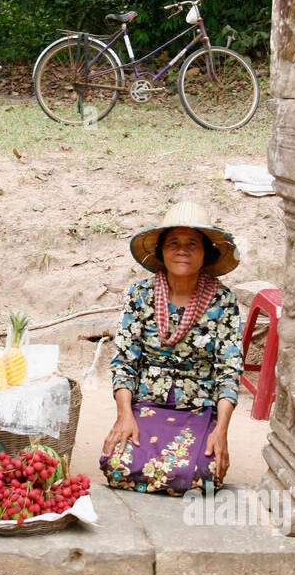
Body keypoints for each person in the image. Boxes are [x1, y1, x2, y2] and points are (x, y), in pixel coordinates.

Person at [102, 201, 244, 495]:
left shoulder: (223, 300)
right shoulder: (140, 295)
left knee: (206, 477)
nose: (183, 250)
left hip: (199, 409)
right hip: (148, 406)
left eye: (192, 243)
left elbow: (229, 371)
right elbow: (125, 362)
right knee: (118, 466)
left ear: (206, 253)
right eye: (174, 243)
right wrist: (125, 416)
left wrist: (221, 431)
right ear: (162, 252)